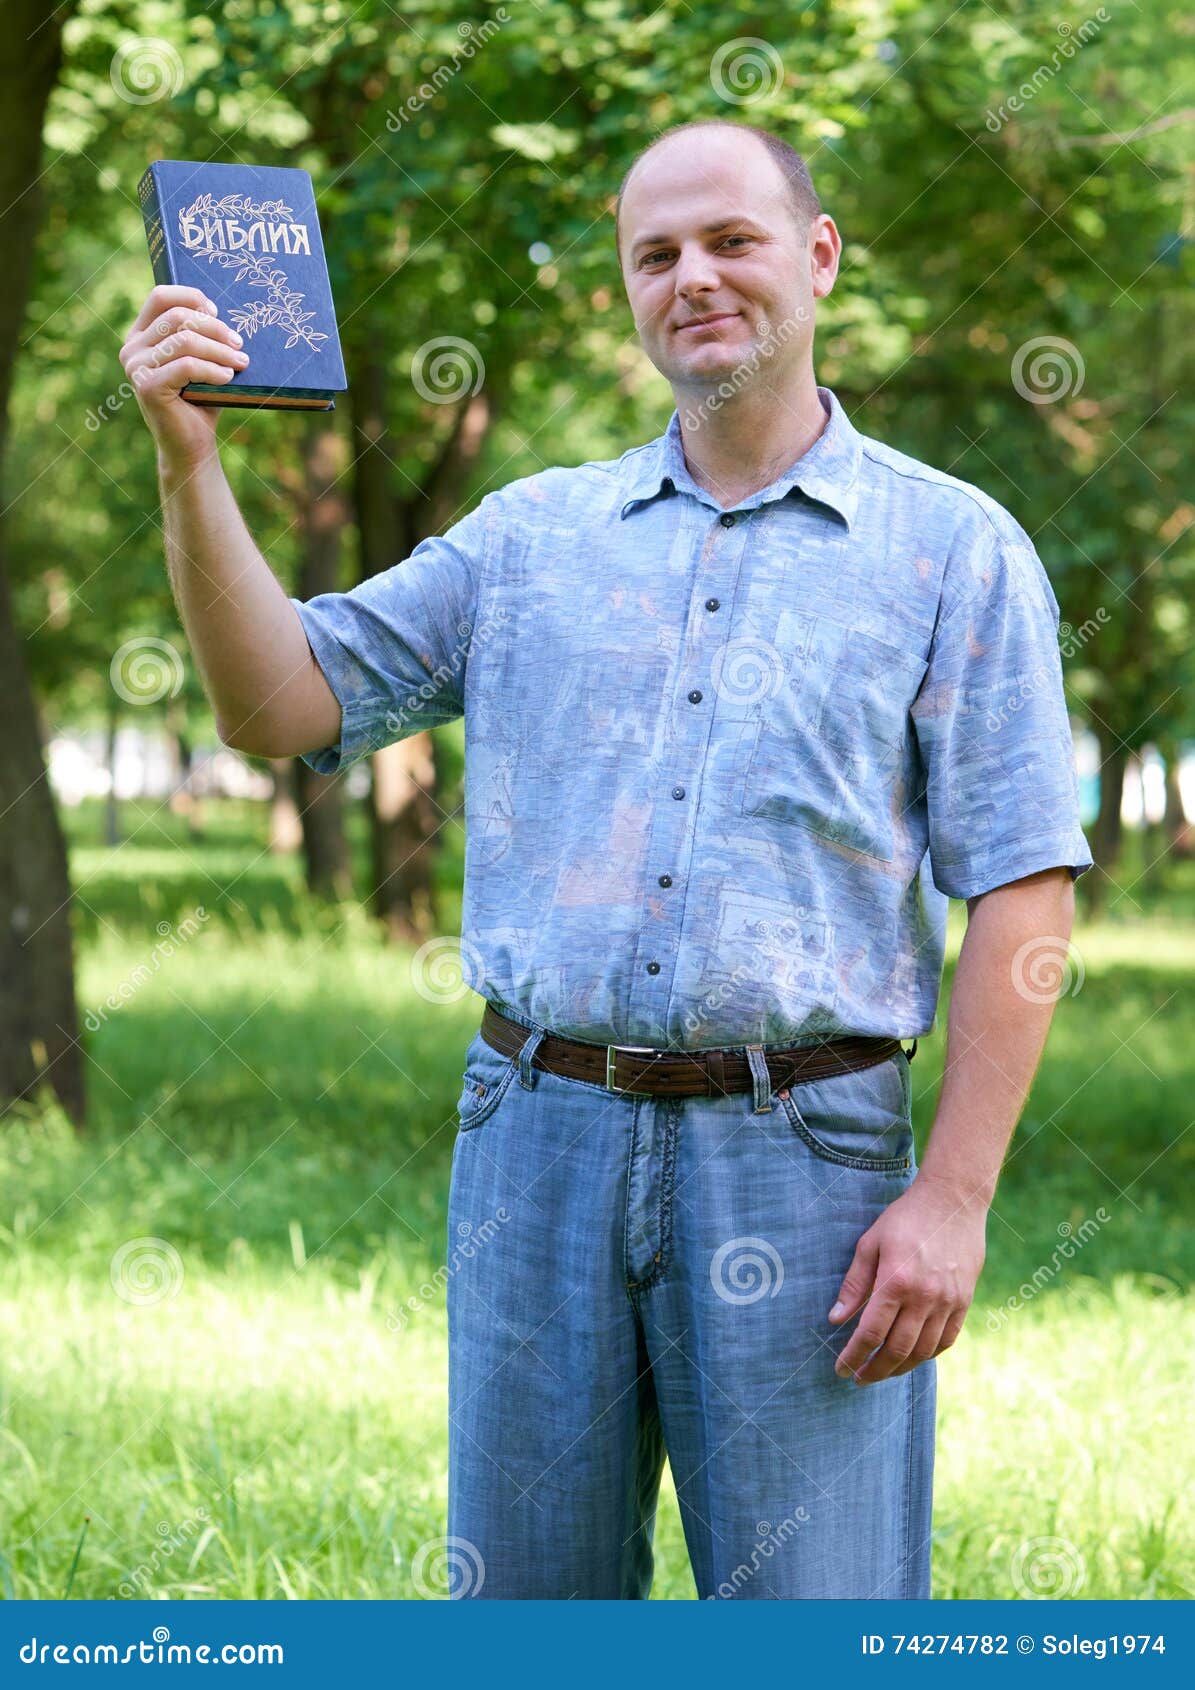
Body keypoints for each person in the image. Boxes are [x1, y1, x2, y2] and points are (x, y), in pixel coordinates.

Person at [118, 118, 1093, 1601]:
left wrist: (953, 1197)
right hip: (537, 1139)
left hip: (808, 1161)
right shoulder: (529, 539)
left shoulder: (952, 550)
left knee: (812, 1621)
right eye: (656, 254)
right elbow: (278, 702)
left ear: (819, 258)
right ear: (628, 291)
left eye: (732, 240)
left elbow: (1022, 880)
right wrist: (189, 464)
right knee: (525, 1616)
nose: (693, 276)